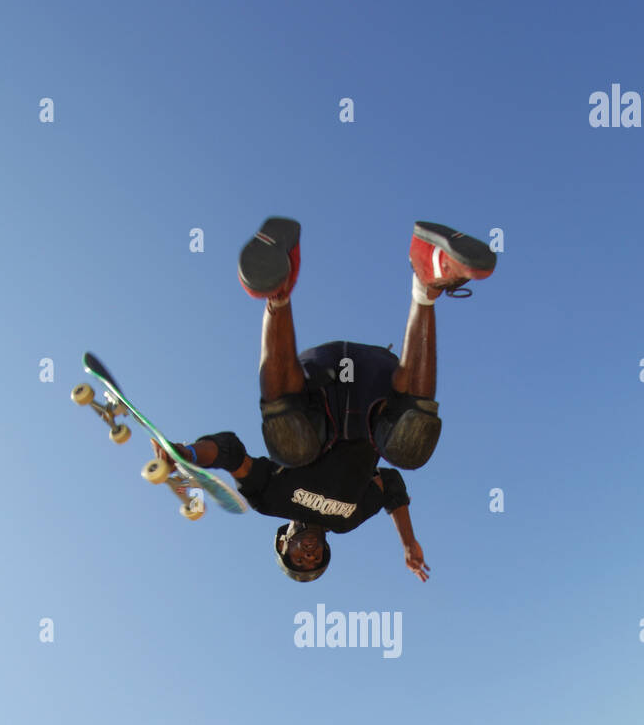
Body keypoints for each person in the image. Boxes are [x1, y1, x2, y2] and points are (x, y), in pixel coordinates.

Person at [156, 216, 497, 582]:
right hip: (375, 391)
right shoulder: (348, 519)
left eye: (297, 559)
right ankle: (427, 279)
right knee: (410, 448)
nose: (309, 555)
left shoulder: (269, 499)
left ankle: (278, 292)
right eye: (316, 561)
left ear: (282, 543)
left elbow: (230, 451)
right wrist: (408, 542)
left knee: (291, 447)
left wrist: (188, 454)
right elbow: (392, 487)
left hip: (321, 383)